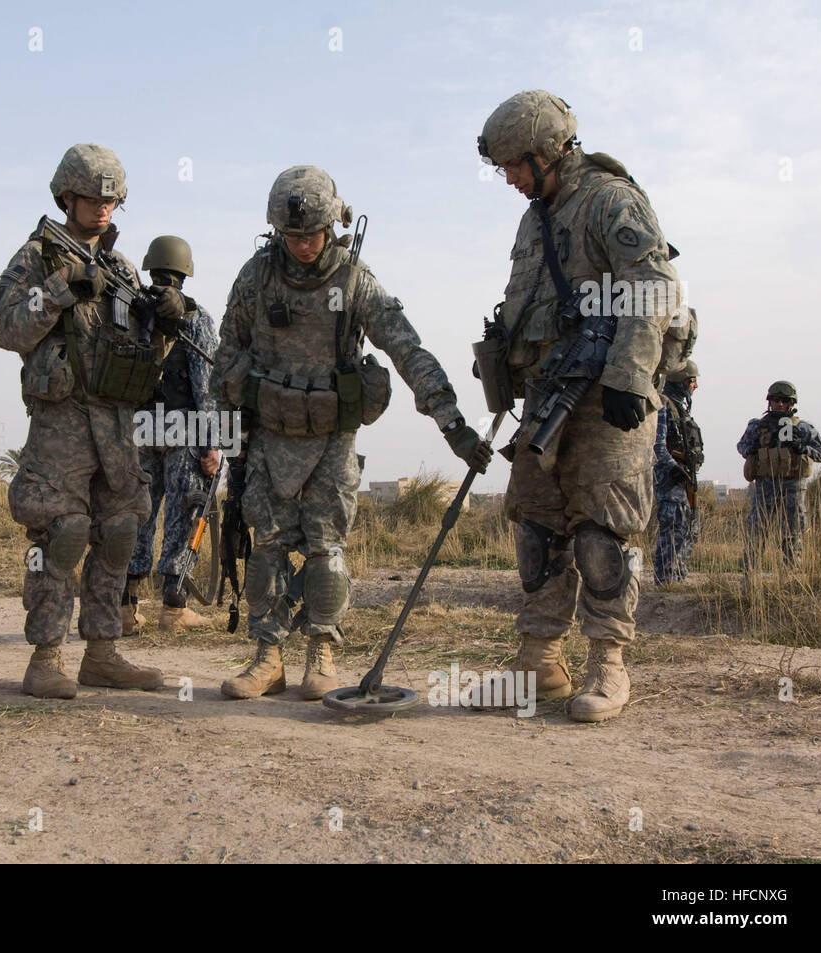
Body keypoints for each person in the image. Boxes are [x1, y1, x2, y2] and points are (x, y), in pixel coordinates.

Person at [209, 165, 491, 701]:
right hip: (269, 438)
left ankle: (322, 652)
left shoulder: (354, 280)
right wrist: (221, 429)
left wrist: (450, 420)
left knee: (326, 548)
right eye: (292, 236)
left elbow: (406, 349)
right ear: (276, 232)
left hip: (332, 441)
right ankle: (267, 657)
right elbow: (226, 355)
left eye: (313, 234)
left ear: (334, 225)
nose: (304, 245)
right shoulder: (256, 277)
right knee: (265, 548)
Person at [474, 90, 682, 722]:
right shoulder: (535, 215)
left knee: (600, 530)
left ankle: (608, 667)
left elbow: (653, 285)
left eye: (514, 164)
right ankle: (540, 663)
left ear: (546, 151)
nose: (508, 178)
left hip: (605, 398)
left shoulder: (611, 199)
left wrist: (628, 374)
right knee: (537, 526)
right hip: (547, 396)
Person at [0, 143, 182, 699]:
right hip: (63, 425)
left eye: (111, 200)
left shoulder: (122, 268)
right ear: (66, 196)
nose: (103, 208)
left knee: (120, 531)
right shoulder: (37, 256)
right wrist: (58, 291)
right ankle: (44, 659)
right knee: (62, 533)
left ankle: (102, 654)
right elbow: (10, 330)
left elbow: (143, 356)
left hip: (117, 427)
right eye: (92, 198)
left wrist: (166, 325)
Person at [124, 236, 221, 633]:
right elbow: (206, 386)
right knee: (185, 512)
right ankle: (173, 607)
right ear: (185, 271)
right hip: (182, 428)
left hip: (139, 428)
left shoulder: (131, 311)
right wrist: (213, 443)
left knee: (137, 517)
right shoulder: (196, 318)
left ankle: (125, 609)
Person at [738, 381, 821, 568]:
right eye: (776, 400)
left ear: (791, 403)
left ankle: (792, 574)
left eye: (784, 401)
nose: (779, 404)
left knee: (792, 533)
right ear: (770, 402)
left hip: (792, 487)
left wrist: (802, 447)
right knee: (757, 530)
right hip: (765, 486)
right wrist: (753, 448)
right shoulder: (757, 426)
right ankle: (749, 572)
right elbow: (742, 446)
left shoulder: (803, 427)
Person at [653, 360, 702, 585]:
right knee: (671, 529)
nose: (695, 386)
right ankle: (666, 580)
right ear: (682, 381)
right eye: (692, 381)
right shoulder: (663, 405)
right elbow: (658, 446)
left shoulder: (680, 408)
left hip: (685, 477)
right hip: (669, 479)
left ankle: (678, 577)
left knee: (688, 528)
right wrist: (674, 468)